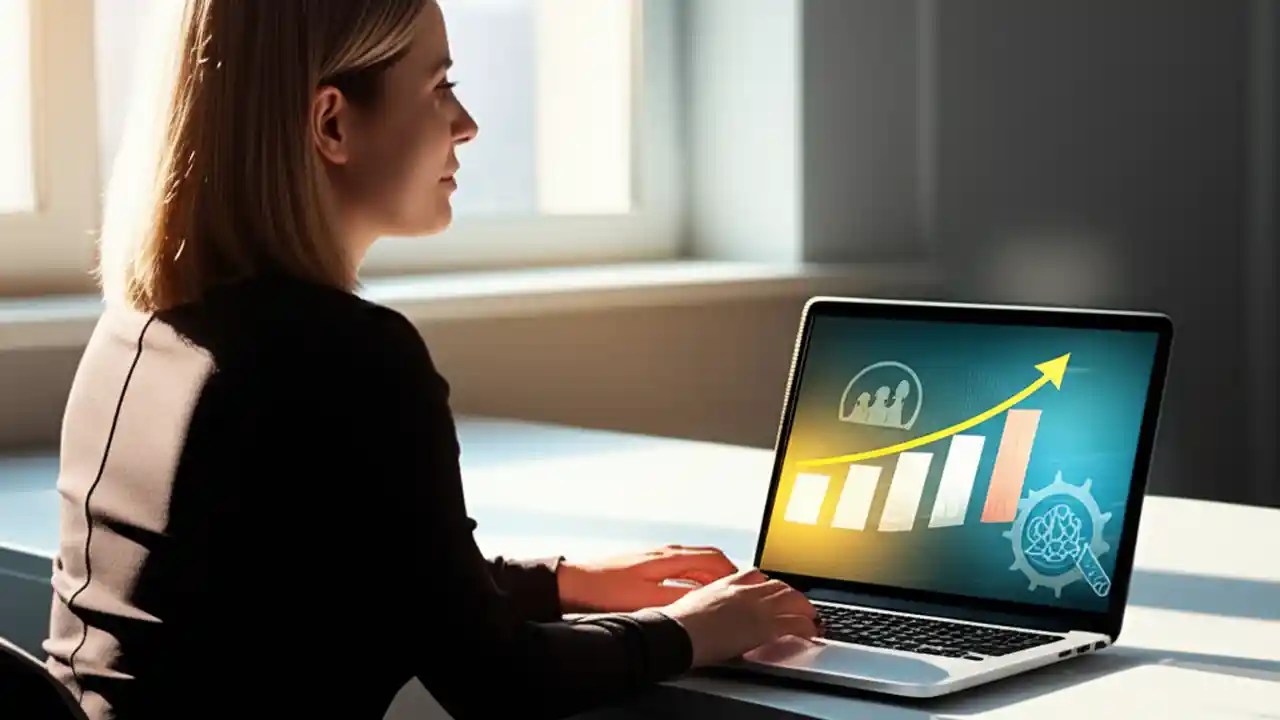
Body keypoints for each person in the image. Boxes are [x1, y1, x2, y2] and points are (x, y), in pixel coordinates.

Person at [41, 2, 820, 719]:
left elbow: (363, 573)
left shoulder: (139, 328)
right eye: (439, 86)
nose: (467, 124)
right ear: (332, 123)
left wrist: (562, 583)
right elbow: (495, 678)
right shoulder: (348, 357)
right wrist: (689, 630)